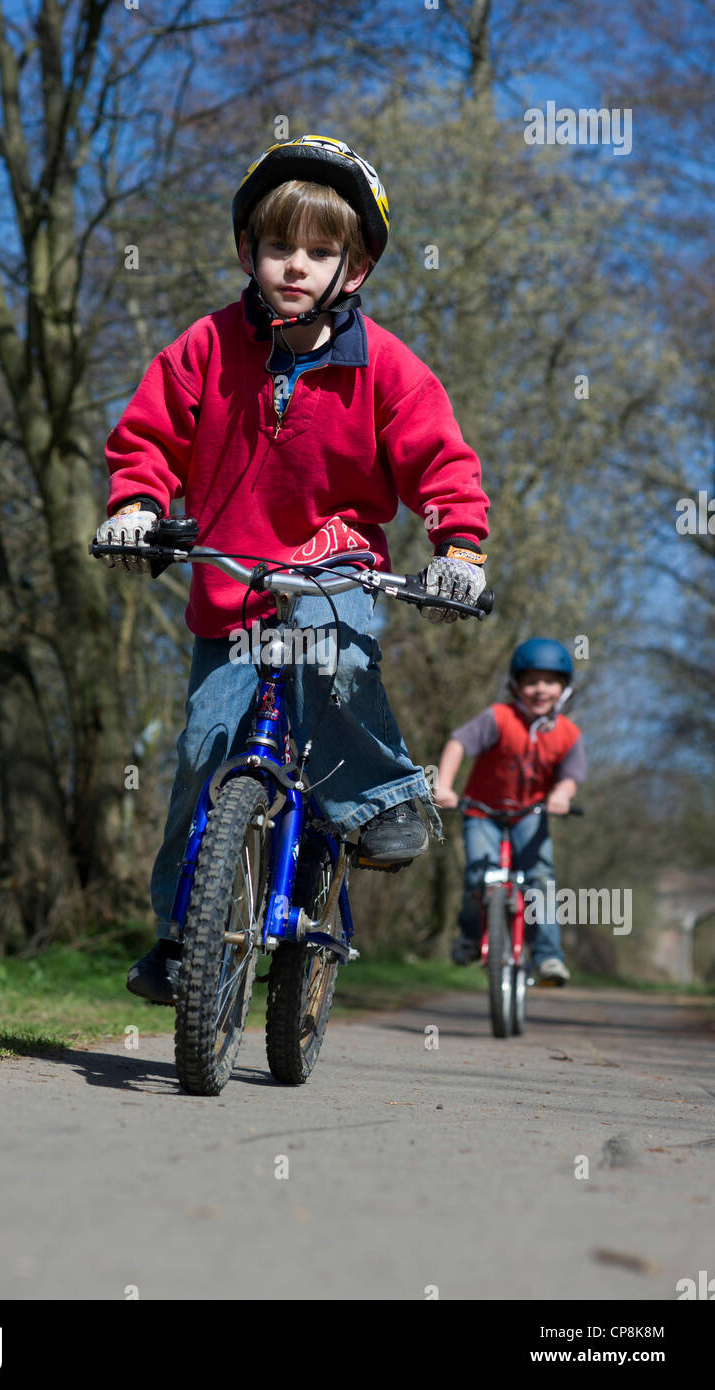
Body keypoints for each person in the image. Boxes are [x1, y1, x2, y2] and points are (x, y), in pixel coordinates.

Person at [94, 134, 490, 1003]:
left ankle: (382, 798)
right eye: (279, 248)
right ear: (249, 252)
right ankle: (181, 933)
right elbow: (151, 434)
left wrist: (457, 547)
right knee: (202, 748)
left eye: (318, 252)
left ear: (355, 269)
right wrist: (137, 506)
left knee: (339, 664)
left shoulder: (388, 368)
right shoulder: (205, 346)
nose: (295, 266)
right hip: (230, 583)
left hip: (332, 569)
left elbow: (441, 465)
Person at [433, 639, 586, 985]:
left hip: (530, 815)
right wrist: (443, 786)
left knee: (540, 882)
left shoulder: (567, 734)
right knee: (478, 876)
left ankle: (547, 958)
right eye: (532, 681)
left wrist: (561, 795)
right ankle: (470, 936)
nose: (540, 689)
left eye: (550, 681)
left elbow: (571, 775)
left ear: (564, 687)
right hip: (482, 811)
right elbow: (459, 742)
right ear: (516, 684)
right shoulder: (499, 718)